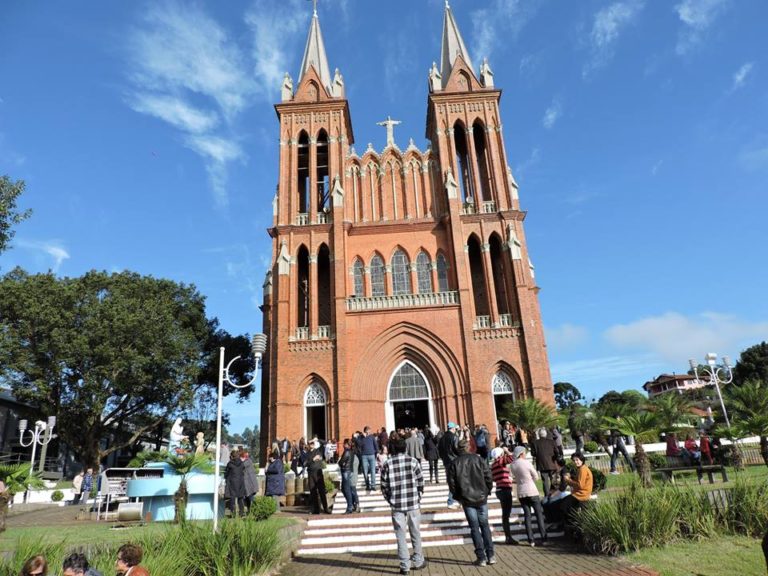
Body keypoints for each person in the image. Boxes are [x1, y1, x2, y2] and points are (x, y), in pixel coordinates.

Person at [380, 436, 426, 576]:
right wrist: (418, 497)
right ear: (405, 448)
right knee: (415, 532)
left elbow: (384, 486)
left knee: (400, 535)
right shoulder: (413, 462)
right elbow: (420, 482)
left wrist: (391, 500)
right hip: (413, 503)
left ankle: (404, 566)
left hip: (397, 504)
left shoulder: (387, 464)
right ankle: (418, 561)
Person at [447, 438, 495, 567]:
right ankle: (490, 555)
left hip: (467, 499)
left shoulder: (454, 463)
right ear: (468, 448)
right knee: (484, 526)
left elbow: (452, 485)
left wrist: (459, 497)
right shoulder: (478, 459)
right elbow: (488, 476)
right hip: (480, 497)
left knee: (475, 528)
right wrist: (487, 490)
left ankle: (481, 557)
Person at [510, 446, 547, 547]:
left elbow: (515, 478)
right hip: (531, 490)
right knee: (538, 514)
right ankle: (543, 538)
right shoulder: (526, 463)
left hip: (521, 492)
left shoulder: (512, 465)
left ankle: (531, 540)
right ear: (521, 453)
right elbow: (536, 476)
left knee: (527, 515)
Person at [561, 452, 593, 535]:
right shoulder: (581, 469)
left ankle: (573, 527)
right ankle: (573, 527)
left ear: (582, 460)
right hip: (580, 494)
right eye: (574, 460)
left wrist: (568, 480)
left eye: (577, 460)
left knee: (564, 506)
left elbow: (580, 485)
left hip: (581, 495)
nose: (575, 462)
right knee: (566, 506)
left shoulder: (583, 469)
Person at [490, 446, 516, 545]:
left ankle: (508, 536)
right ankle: (508, 537)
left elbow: (493, 478)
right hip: (505, 489)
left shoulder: (493, 465)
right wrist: (507, 450)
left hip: (499, 489)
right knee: (506, 515)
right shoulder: (501, 461)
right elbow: (512, 458)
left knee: (505, 515)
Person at [438, 422, 460, 508]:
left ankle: (454, 500)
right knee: (456, 480)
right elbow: (456, 448)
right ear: (453, 428)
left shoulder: (442, 438)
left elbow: (439, 450)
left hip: (446, 461)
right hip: (454, 460)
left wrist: (443, 458)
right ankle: (452, 500)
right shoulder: (454, 437)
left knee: (451, 480)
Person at [532, 429, 559, 494]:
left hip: (542, 465)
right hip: (552, 464)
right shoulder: (552, 442)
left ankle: (547, 496)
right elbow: (557, 452)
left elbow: (533, 453)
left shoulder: (535, 443)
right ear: (546, 434)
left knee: (545, 482)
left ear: (539, 435)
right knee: (554, 480)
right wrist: (554, 458)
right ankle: (554, 494)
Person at [307, 438, 329, 514]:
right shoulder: (307, 453)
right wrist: (313, 459)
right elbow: (305, 463)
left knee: (322, 491)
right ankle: (316, 510)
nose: (311, 445)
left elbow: (325, 443)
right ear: (308, 445)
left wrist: (317, 440)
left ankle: (326, 508)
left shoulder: (318, 450)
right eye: (310, 444)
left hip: (318, 473)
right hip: (310, 474)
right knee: (313, 492)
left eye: (313, 443)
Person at [338, 438, 359, 514]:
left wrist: (341, 463)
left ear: (347, 444)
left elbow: (340, 462)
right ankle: (351, 505)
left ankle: (350, 507)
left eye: (344, 443)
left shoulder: (346, 452)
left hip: (346, 471)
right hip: (348, 471)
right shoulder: (351, 452)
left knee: (347, 490)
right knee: (344, 489)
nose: (343, 445)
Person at [224, 449, 247, 517]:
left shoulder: (230, 464)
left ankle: (233, 513)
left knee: (232, 498)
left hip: (232, 482)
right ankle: (241, 513)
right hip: (240, 482)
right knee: (240, 498)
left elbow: (226, 473)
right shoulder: (241, 463)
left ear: (231, 456)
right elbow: (243, 471)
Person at [357, 426, 379, 492]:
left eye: (370, 431)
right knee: (365, 471)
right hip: (364, 456)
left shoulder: (372, 437)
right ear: (365, 431)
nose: (370, 432)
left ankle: (373, 485)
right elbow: (359, 444)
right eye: (369, 431)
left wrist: (377, 452)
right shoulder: (361, 437)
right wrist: (362, 437)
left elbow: (375, 445)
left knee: (373, 471)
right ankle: (367, 485)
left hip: (372, 455)